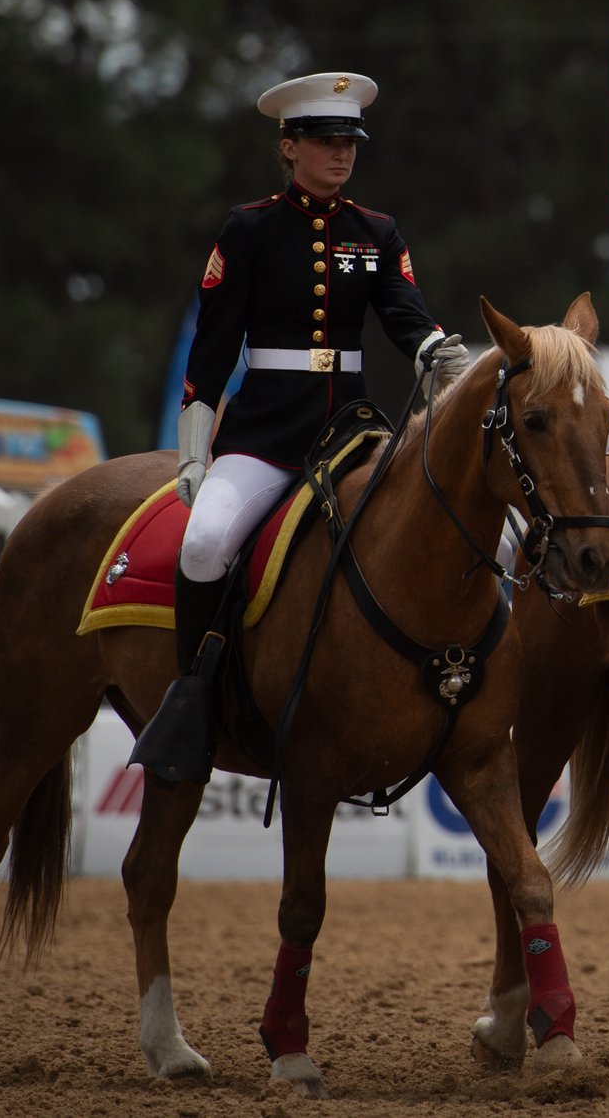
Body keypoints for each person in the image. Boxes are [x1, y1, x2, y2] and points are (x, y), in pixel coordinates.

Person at [129, 71, 467, 783]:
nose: (341, 154)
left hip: (350, 430)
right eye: (324, 140)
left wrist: (433, 346)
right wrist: (195, 449)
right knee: (206, 543)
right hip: (265, 435)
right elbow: (213, 349)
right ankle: (193, 696)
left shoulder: (375, 232)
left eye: (349, 141)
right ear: (290, 146)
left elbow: (403, 307)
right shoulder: (249, 229)